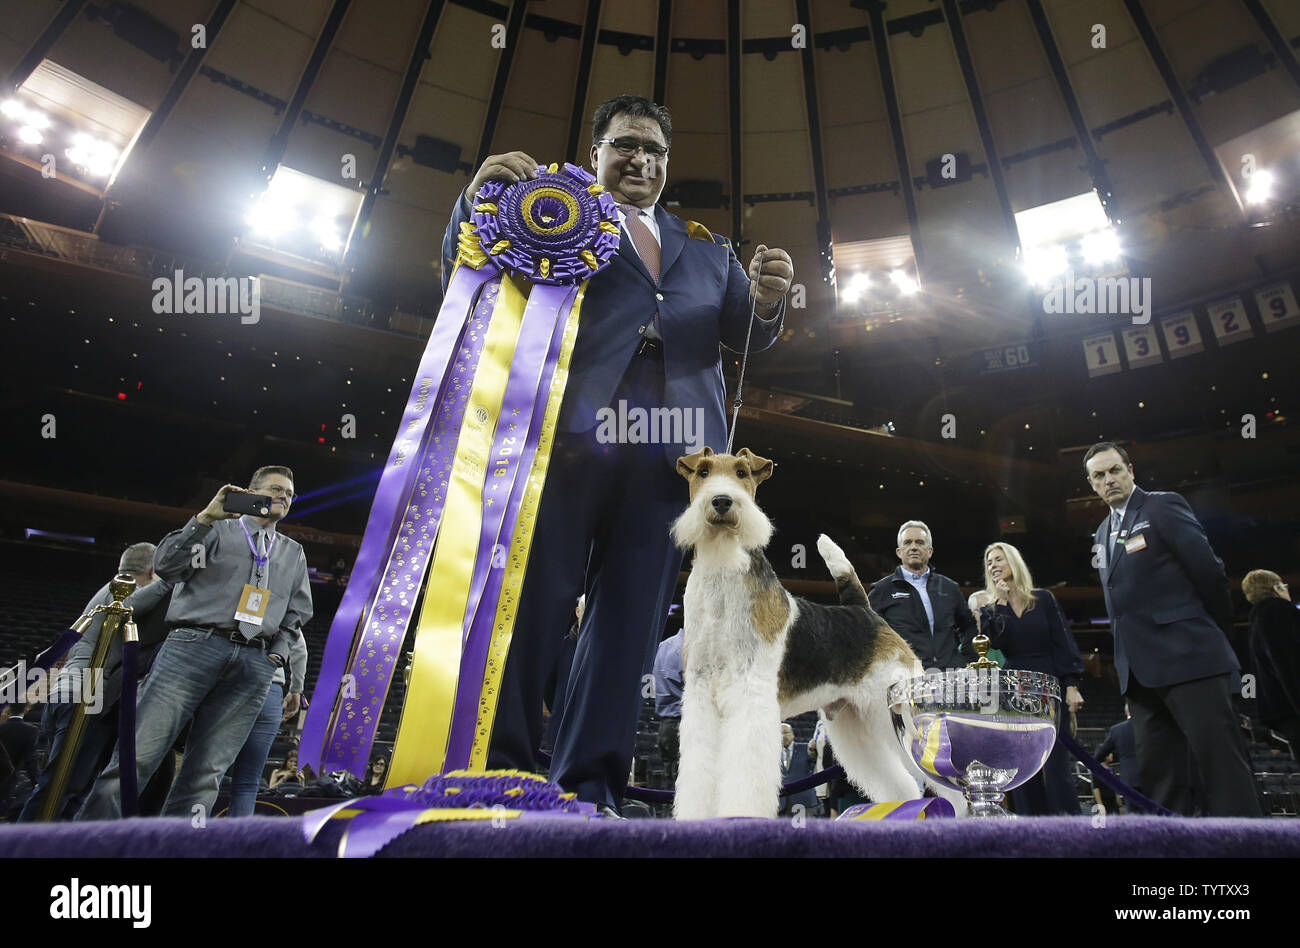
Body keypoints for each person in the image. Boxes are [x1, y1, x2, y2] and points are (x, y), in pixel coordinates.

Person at [441, 94, 792, 810]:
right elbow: (471, 268)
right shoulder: (554, 210)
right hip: (571, 431)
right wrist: (473, 203)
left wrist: (769, 301)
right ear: (596, 152)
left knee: (630, 621)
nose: (641, 161)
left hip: (675, 454)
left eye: (654, 151)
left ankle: (589, 783)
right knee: (533, 599)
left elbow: (746, 338)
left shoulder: (708, 247)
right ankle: (502, 769)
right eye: (625, 145)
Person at [78, 466, 312, 821]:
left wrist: (276, 657)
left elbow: (295, 614)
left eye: (289, 494)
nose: (284, 497)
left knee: (206, 775)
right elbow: (168, 565)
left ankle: (177, 848)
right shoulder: (217, 528)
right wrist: (203, 518)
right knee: (137, 755)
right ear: (250, 494)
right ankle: (89, 844)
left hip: (254, 662)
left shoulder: (293, 552)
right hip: (193, 646)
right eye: (275, 489)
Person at [1085, 441, 1260, 816]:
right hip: (1140, 675)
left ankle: (1247, 845)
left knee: (1221, 766)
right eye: (1099, 475)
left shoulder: (1162, 506)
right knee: (1160, 776)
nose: (1109, 479)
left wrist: (1208, 634)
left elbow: (1209, 573)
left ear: (1131, 470)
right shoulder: (1102, 533)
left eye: (1115, 470)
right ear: (1092, 484)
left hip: (1190, 658)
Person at [18, 543, 175, 822]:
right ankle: (26, 844)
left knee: (65, 785)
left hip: (65, 692)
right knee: (63, 785)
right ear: (152, 571)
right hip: (85, 695)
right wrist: (171, 577)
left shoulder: (106, 589)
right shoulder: (122, 591)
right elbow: (129, 607)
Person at [978, 541, 1085, 815]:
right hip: (1015, 686)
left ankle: (1071, 825)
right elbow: (998, 643)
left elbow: (1062, 641)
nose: (993, 565)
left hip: (1049, 682)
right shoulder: (991, 610)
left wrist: (1071, 684)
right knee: (1024, 764)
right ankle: (1031, 825)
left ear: (1013, 562)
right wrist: (999, 603)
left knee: (1057, 762)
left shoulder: (1044, 599)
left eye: (999, 559)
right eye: (989, 562)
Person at [868, 521, 977, 671]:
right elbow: (868, 634)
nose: (913, 547)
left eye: (919, 542)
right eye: (907, 543)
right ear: (899, 552)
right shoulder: (882, 590)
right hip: (906, 677)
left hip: (950, 676)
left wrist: (966, 660)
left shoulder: (949, 587)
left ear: (930, 551)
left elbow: (968, 626)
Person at [226, 628, 307, 817]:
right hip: (271, 688)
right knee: (248, 782)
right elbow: (300, 650)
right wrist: (296, 690)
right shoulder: (284, 604)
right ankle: (236, 839)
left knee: (208, 771)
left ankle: (191, 836)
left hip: (232, 681)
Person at [1241, 570, 1299, 757]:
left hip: (1282, 713)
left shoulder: (1256, 622)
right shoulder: (1281, 612)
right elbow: (1289, 665)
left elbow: (1251, 679)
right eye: (1284, 586)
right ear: (1276, 588)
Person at [652, 626, 684, 785]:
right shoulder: (685, 650)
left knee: (667, 782)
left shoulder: (662, 646)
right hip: (681, 725)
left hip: (664, 727)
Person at [1097, 705, 1139, 811]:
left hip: (1129, 779)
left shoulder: (1118, 730)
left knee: (1134, 816)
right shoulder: (1151, 727)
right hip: (1154, 779)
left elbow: (1100, 754)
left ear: (1126, 712)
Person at [777, 722, 819, 816]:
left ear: (792, 734)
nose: (782, 736)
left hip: (803, 801)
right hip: (782, 803)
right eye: (779, 733)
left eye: (785, 732)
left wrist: (813, 749)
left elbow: (814, 757)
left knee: (803, 830)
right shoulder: (774, 753)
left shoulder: (806, 748)